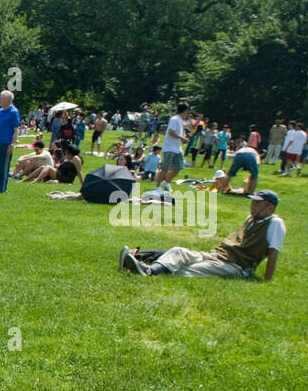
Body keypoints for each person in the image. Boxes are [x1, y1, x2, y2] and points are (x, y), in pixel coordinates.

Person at [120, 190, 285, 280]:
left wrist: (267, 281)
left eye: (258, 204)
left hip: (235, 266)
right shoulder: (251, 219)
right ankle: (148, 269)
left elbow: (273, 254)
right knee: (179, 251)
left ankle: (146, 270)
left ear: (270, 208)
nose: (253, 206)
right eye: (253, 202)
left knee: (188, 270)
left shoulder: (275, 224)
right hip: (217, 255)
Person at [0, 91, 21, 194]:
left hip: (5, 143)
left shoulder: (14, 112)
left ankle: (1, 189)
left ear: (8, 100)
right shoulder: (0, 111)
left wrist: (12, 144)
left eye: (1, 98)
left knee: (2, 167)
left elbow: (16, 130)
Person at [157, 102, 188, 186]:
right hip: (170, 147)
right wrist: (181, 138)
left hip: (177, 148)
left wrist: (183, 139)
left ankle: (166, 182)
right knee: (165, 168)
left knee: (179, 166)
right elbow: (171, 132)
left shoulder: (181, 121)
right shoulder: (175, 119)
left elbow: (178, 133)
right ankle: (157, 187)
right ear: (185, 111)